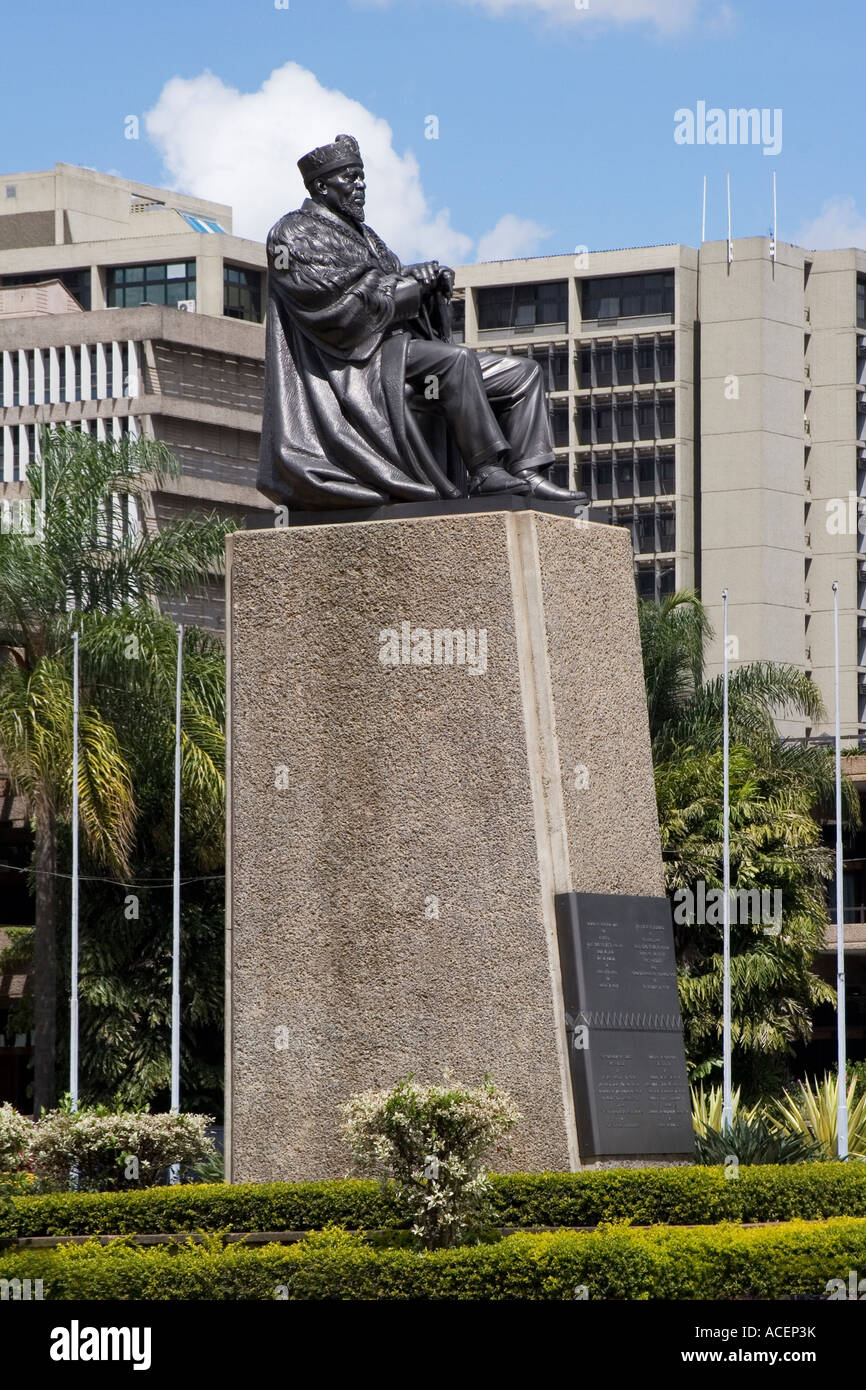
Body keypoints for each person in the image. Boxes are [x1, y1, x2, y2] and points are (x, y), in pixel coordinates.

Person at [258, 134, 586, 509]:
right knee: (456, 361)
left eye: (362, 176)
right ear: (321, 186)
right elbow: (337, 307)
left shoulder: (367, 236)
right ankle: (484, 471)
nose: (361, 185)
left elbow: (389, 280)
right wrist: (409, 285)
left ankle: (527, 472)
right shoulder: (293, 233)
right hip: (352, 363)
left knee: (522, 373)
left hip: (400, 353)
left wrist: (426, 282)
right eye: (350, 178)